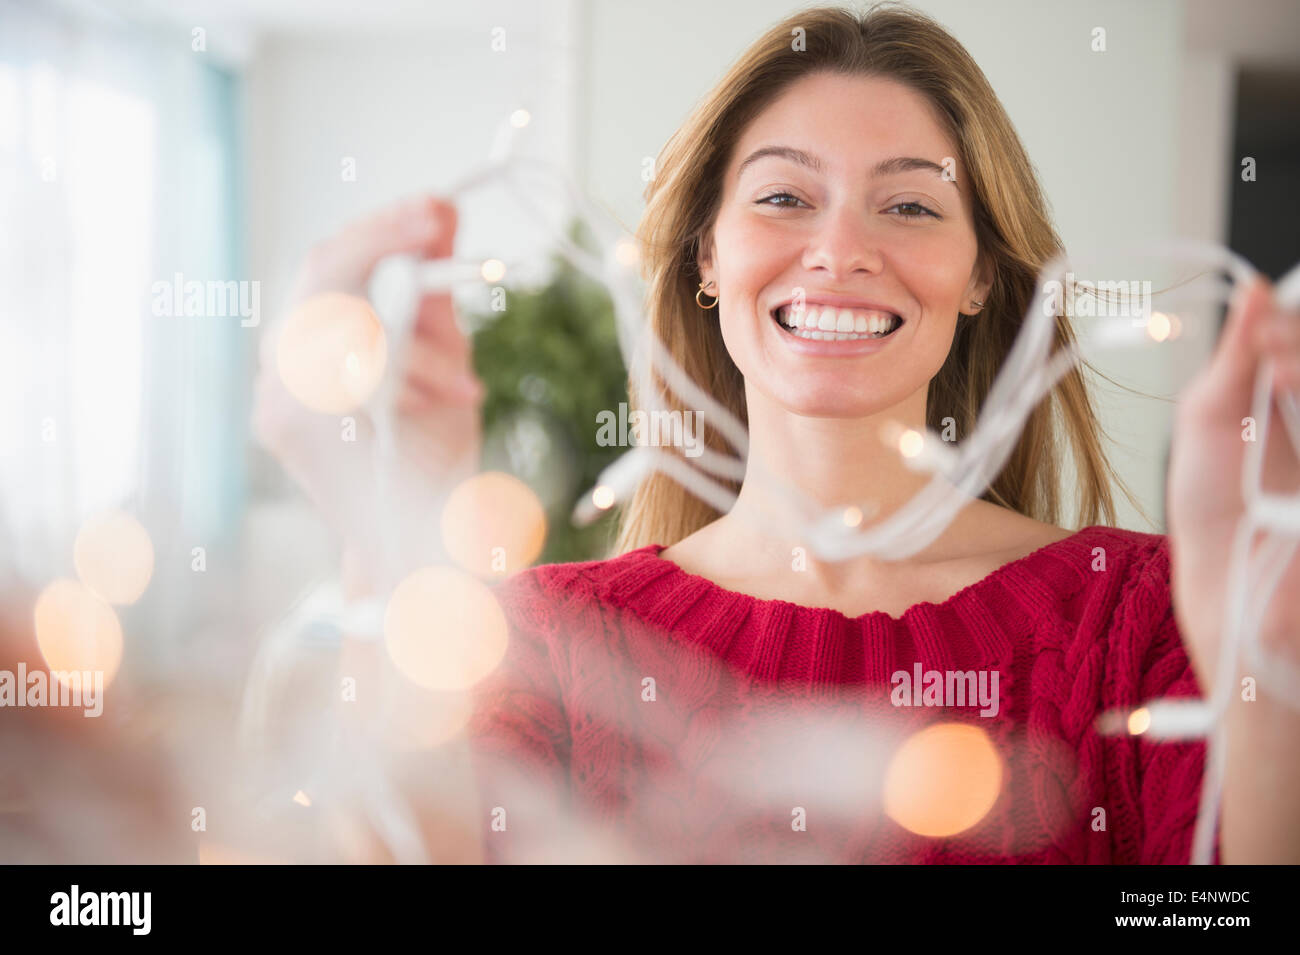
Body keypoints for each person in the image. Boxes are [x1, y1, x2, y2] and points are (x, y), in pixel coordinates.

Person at [253, 4, 1300, 864]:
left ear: (983, 272)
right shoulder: (540, 646)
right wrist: (388, 521)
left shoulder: (1149, 615)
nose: (839, 249)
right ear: (707, 256)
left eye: (911, 208)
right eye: (786, 196)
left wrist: (1272, 645)